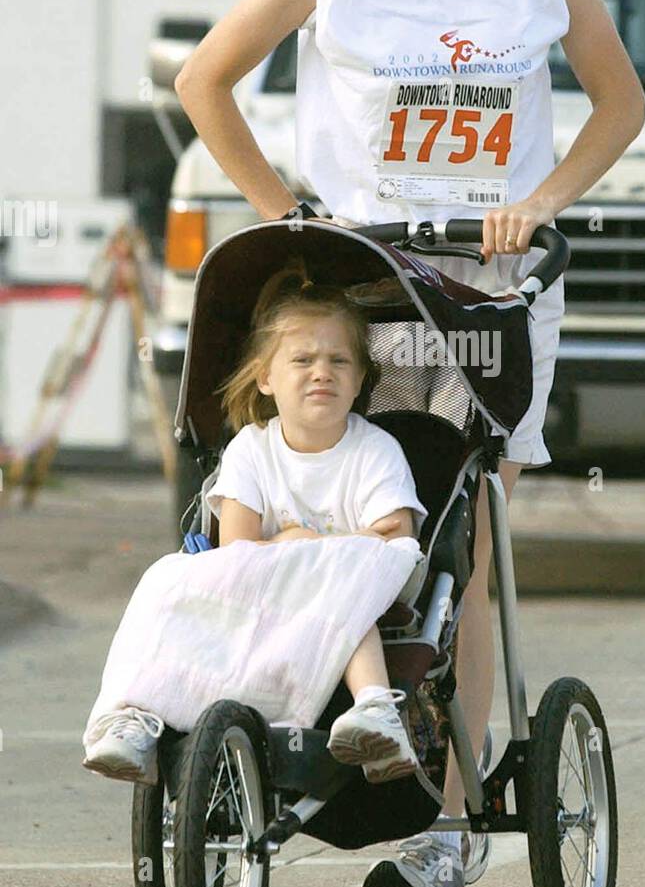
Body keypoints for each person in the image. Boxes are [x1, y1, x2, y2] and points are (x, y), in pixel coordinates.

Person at [173, 0, 645, 887]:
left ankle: (445, 826)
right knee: (297, 492)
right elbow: (203, 80)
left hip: (485, 294)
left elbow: (618, 102)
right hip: (354, 275)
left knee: (461, 529)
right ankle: (266, 724)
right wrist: (285, 213)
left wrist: (538, 201)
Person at [82, 264, 429, 787]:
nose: (322, 372)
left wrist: (305, 545)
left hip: (348, 595)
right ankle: (134, 714)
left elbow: (394, 536)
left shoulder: (374, 450)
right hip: (267, 595)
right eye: (303, 360)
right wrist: (304, 549)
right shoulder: (251, 448)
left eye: (339, 361)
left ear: (360, 381)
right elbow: (236, 550)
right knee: (165, 577)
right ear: (266, 377)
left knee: (346, 575)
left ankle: (376, 707)